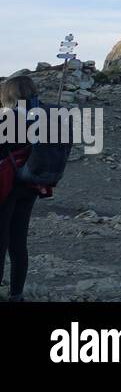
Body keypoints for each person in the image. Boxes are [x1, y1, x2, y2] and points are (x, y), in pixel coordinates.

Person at [0, 75, 39, 302]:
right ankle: (17, 294)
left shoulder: (8, 118)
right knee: (18, 241)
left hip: (7, 184)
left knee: (1, 238)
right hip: (30, 184)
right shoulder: (42, 116)